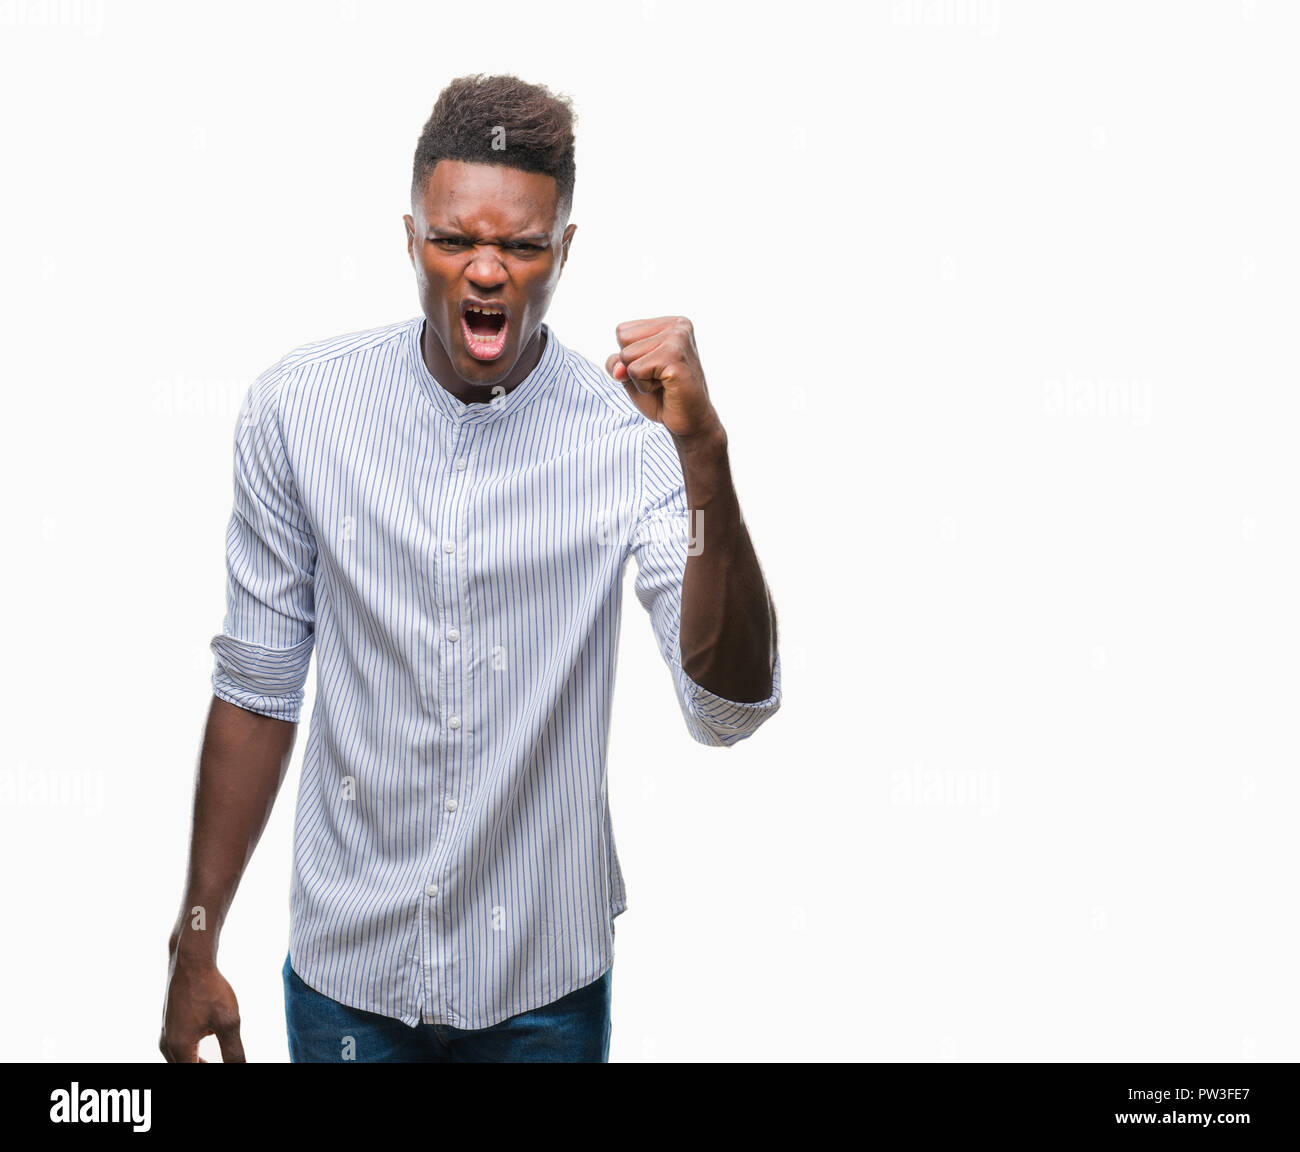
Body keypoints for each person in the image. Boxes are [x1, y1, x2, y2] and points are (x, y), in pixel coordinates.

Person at [159, 73, 782, 1064]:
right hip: (347, 981)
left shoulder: (635, 437)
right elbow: (257, 689)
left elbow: (728, 707)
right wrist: (195, 944)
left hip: (543, 991)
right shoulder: (298, 411)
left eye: (522, 246)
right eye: (454, 239)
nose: (486, 271)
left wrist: (703, 455)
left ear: (563, 251)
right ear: (411, 239)